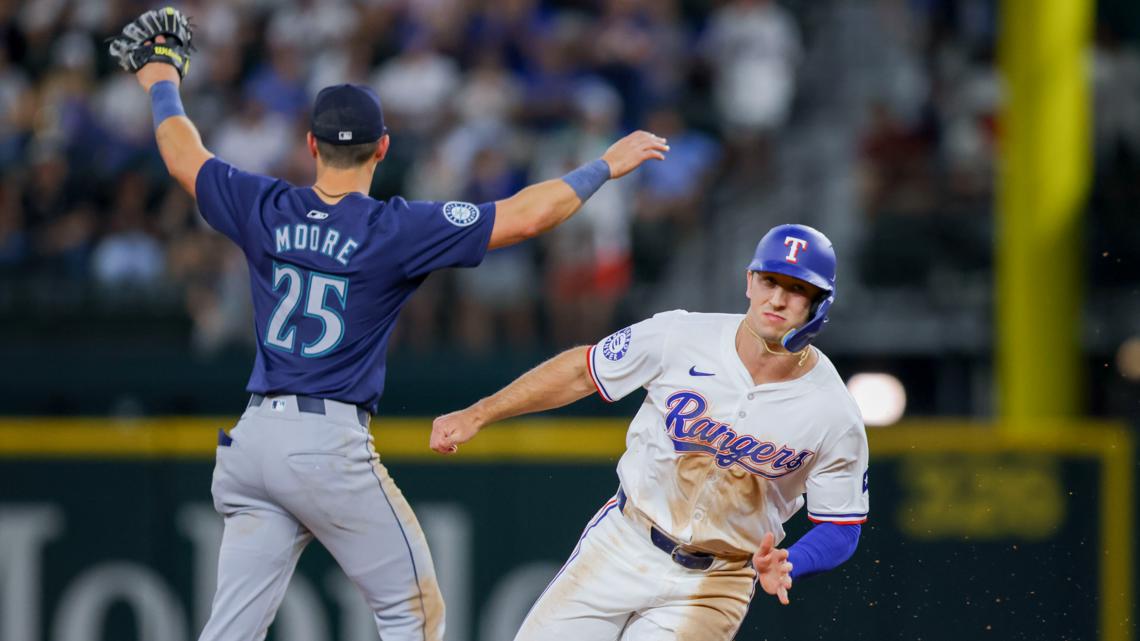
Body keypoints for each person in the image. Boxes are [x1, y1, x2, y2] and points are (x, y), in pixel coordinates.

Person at [112, 9, 668, 641]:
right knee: (414, 613)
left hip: (253, 442)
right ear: (382, 147)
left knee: (230, 630)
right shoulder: (394, 229)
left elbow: (185, 157)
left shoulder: (265, 204)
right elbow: (525, 216)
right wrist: (604, 165)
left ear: (311, 146)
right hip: (325, 444)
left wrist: (160, 77)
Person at [431, 224, 869, 640]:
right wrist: (480, 413)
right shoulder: (680, 335)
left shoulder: (833, 410)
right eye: (771, 281)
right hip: (624, 539)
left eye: (797, 289)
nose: (777, 298)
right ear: (749, 281)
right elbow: (584, 371)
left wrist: (796, 561)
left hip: (717, 581)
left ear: (819, 305)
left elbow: (841, 524)